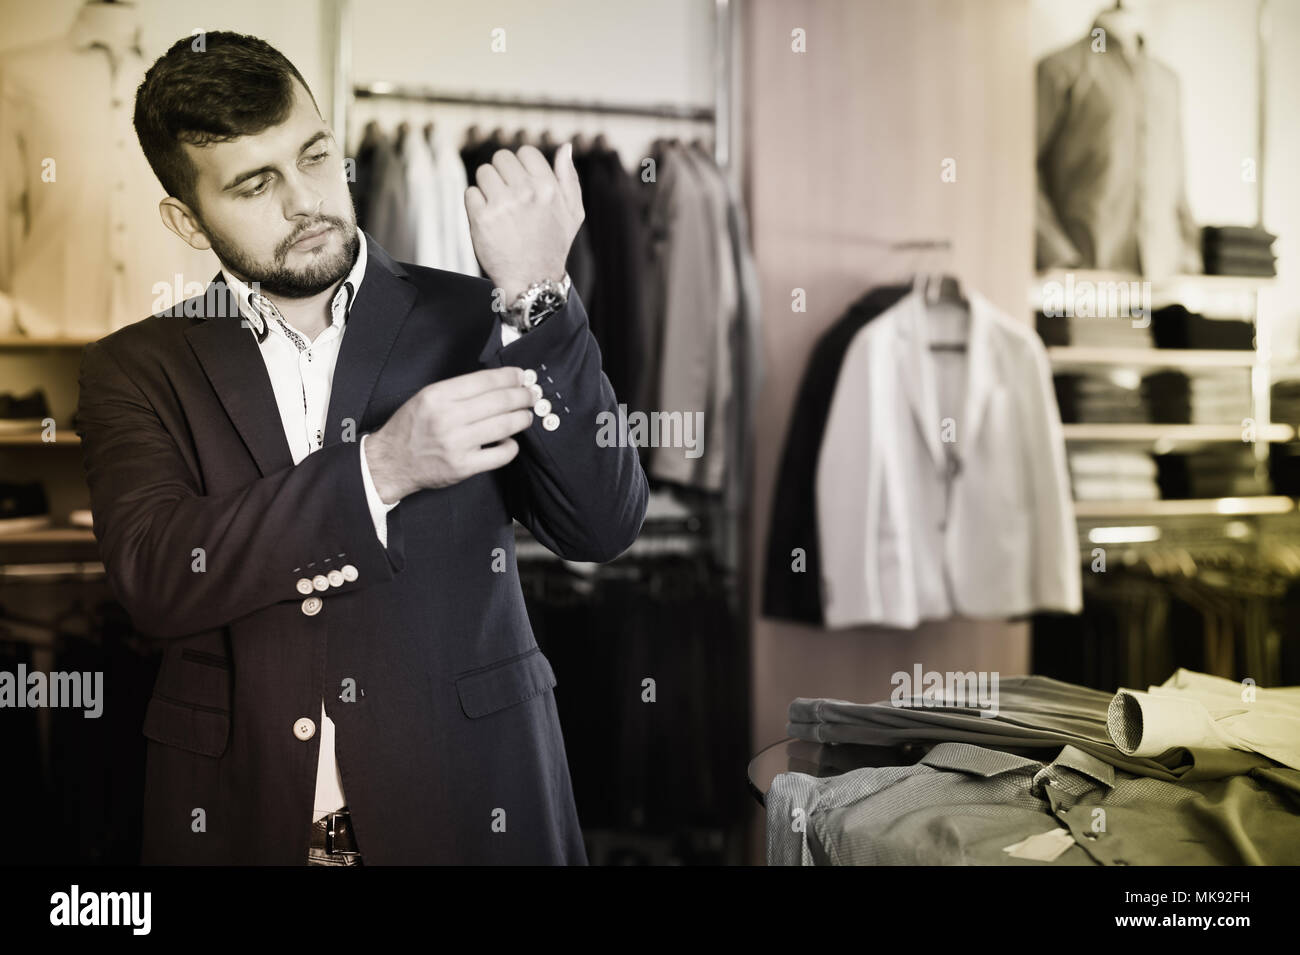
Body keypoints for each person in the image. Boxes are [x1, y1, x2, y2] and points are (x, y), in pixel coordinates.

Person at [75, 31, 647, 865]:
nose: (305, 201)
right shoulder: (133, 368)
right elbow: (157, 577)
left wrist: (538, 297)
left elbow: (603, 524)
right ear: (186, 220)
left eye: (315, 156)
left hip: (474, 809)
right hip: (241, 823)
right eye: (254, 184)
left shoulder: (477, 317)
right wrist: (381, 469)